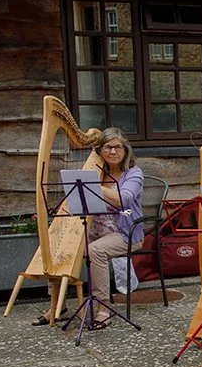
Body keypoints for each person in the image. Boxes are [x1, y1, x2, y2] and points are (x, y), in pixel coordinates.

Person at [34, 127, 143, 329]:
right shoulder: (97, 171)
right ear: (99, 150)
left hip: (124, 233)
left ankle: (103, 307)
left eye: (117, 147)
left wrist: (92, 184)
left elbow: (124, 200)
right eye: (107, 147)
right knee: (57, 247)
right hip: (94, 231)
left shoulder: (133, 174)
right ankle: (59, 306)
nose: (112, 152)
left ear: (126, 150)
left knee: (94, 251)